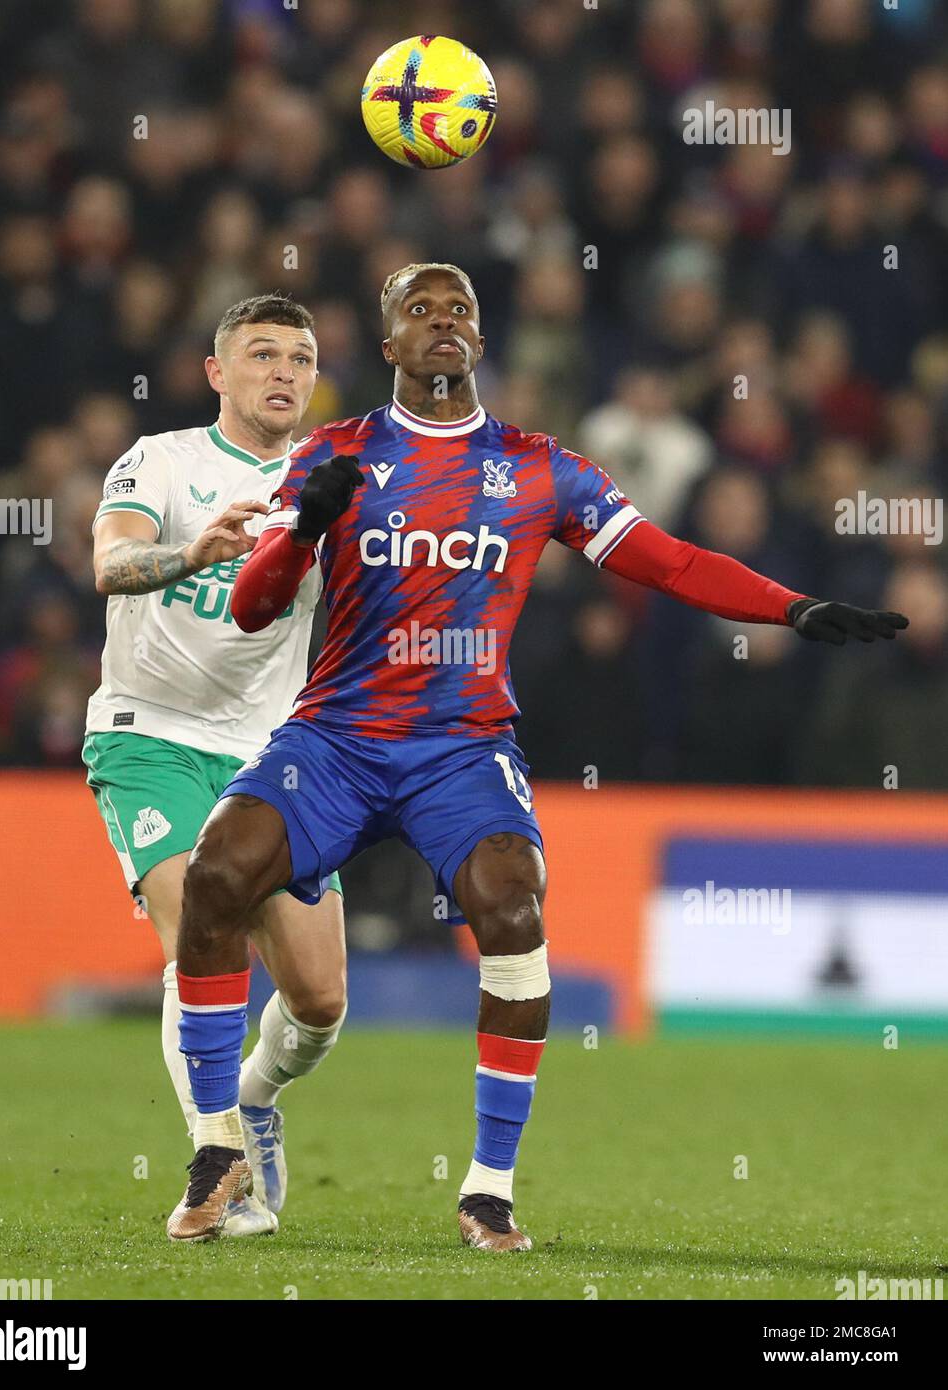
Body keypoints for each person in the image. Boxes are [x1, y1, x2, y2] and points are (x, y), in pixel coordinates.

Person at [167, 264, 907, 1249]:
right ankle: (218, 1148)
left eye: (457, 310)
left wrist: (793, 606)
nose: (441, 322)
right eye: (417, 311)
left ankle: (486, 1188)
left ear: (479, 340)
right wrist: (303, 524)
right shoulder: (332, 454)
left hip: (460, 748)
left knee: (513, 908)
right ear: (388, 346)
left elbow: (671, 561)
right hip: (336, 739)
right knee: (217, 872)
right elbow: (253, 606)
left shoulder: (537, 469)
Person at [84, 295, 347, 1238]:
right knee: (199, 933)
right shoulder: (162, 459)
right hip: (149, 731)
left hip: (278, 751)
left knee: (318, 1004)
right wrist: (192, 551)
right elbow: (109, 566)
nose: (283, 371)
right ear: (216, 374)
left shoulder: (339, 480)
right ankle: (217, 1157)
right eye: (262, 353)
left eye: (300, 358)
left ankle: (254, 1096)